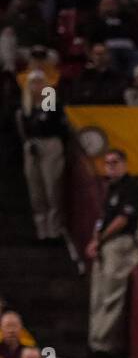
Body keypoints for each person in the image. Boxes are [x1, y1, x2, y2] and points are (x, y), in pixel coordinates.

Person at [86, 149, 138, 357]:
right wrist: (95, 240)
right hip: (104, 244)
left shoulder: (131, 187)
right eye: (107, 163)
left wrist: (100, 239)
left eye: (115, 162)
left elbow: (122, 219)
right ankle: (94, 340)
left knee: (112, 294)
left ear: (124, 164)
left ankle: (103, 342)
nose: (110, 166)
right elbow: (103, 218)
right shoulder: (110, 188)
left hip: (119, 243)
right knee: (98, 294)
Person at [15, 68, 68, 246]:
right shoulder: (24, 107)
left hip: (50, 144)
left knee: (51, 186)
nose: (36, 86)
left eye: (39, 82)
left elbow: (52, 124)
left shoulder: (51, 102)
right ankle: (42, 231)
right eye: (32, 82)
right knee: (35, 189)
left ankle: (55, 230)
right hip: (32, 147)